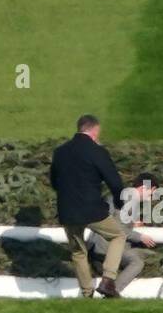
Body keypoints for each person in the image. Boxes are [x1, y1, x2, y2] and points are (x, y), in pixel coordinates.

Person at [49, 114, 128, 299]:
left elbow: (54, 181)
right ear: (94, 130)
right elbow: (114, 182)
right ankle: (108, 279)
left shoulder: (60, 152)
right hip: (92, 209)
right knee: (118, 235)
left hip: (67, 210)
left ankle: (87, 294)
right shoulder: (97, 151)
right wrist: (119, 201)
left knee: (78, 251)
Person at [88, 172, 158, 294]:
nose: (151, 197)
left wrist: (133, 224)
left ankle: (110, 289)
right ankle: (113, 290)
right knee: (137, 262)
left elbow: (117, 220)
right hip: (105, 248)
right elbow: (117, 228)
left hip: (102, 246)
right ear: (144, 188)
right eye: (152, 192)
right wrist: (140, 237)